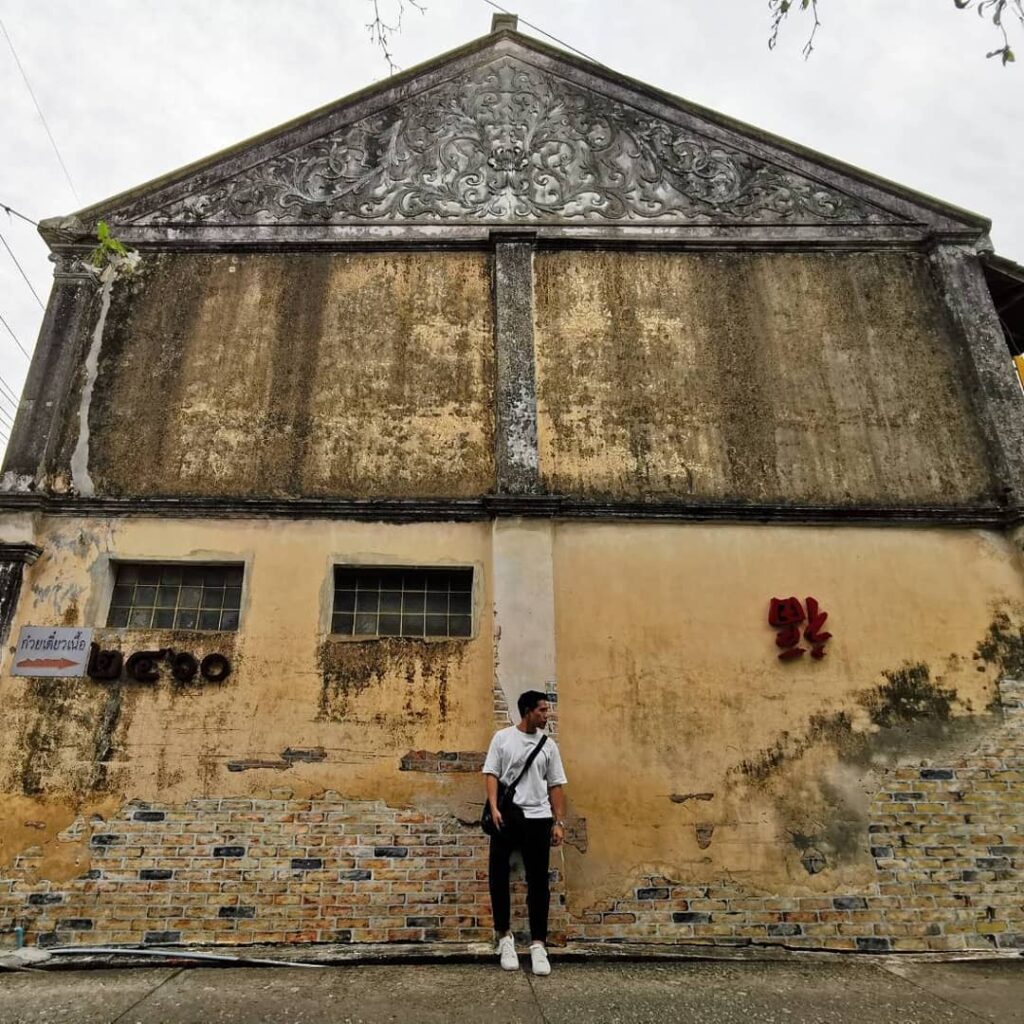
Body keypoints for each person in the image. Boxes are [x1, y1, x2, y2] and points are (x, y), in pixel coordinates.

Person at [482, 689, 567, 976]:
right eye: (542, 710)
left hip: (539, 818)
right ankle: (504, 938)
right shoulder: (503, 738)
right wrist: (494, 808)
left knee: (539, 882)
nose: (547, 715)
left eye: (547, 710)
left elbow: (556, 784)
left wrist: (558, 822)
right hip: (507, 816)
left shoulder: (548, 746)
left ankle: (538, 945)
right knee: (498, 876)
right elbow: (491, 773)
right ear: (528, 711)